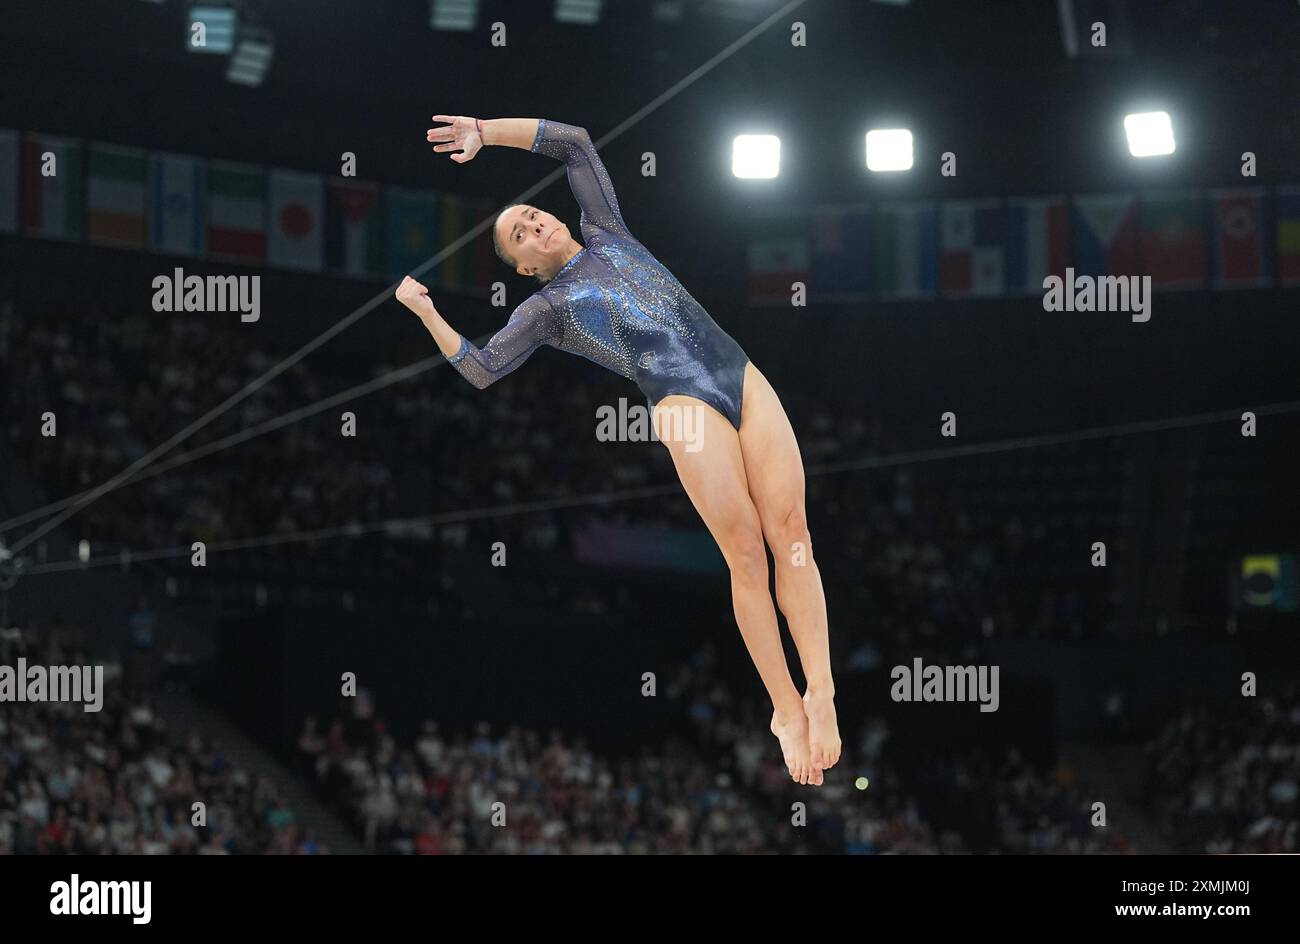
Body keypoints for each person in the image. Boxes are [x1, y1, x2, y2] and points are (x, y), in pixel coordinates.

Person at [396, 115, 840, 785]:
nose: (537, 224)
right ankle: (784, 709)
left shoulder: (608, 231)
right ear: (523, 267)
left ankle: (822, 694)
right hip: (683, 404)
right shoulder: (546, 309)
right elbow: (483, 368)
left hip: (740, 373)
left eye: (535, 214)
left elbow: (574, 141)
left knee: (793, 534)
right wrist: (427, 311)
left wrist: (486, 132)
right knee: (747, 553)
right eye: (521, 233)